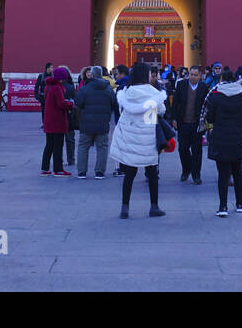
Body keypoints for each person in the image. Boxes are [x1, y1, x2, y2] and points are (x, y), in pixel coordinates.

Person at [108, 62, 166, 219]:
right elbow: (161, 110)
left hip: (130, 138)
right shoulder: (154, 93)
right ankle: (154, 207)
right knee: (152, 174)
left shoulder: (127, 92)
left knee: (129, 174)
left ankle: (124, 208)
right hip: (148, 138)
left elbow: (121, 111)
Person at [203, 67, 242, 217]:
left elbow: (209, 118)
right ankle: (240, 203)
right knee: (237, 172)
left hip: (221, 137)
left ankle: (223, 207)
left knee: (223, 174)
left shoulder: (215, 96)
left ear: (221, 79)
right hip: (238, 137)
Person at [74, 65, 119, 178]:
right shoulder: (108, 88)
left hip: (86, 122)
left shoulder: (85, 88)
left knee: (83, 146)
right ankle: (99, 172)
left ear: (92, 74)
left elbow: (78, 103)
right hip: (103, 122)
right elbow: (114, 104)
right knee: (102, 147)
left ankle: (82, 172)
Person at [170, 64, 208, 184]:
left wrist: (206, 122)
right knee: (183, 149)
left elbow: (207, 106)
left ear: (200, 76)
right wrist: (174, 119)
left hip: (197, 124)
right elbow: (175, 103)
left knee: (197, 150)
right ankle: (186, 170)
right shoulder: (181, 85)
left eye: (196, 75)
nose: (193, 77)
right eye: (191, 74)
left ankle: (196, 174)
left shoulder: (203, 87)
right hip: (183, 123)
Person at [41, 65, 75, 176]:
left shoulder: (48, 86)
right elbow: (61, 103)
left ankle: (45, 168)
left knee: (49, 145)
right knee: (58, 146)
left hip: (49, 120)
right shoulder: (57, 87)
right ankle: (58, 169)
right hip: (57, 121)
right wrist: (70, 104)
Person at [61, 66, 78, 166]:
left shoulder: (54, 87)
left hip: (58, 116)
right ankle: (71, 159)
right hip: (69, 116)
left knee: (58, 140)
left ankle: (58, 159)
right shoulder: (71, 87)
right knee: (70, 139)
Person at [34, 63, 54, 127]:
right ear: (47, 68)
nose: (52, 69)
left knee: (51, 110)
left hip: (51, 97)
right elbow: (37, 86)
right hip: (43, 97)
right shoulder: (41, 76)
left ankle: (50, 123)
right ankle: (44, 123)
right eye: (51, 67)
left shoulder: (53, 76)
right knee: (44, 111)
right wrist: (36, 95)